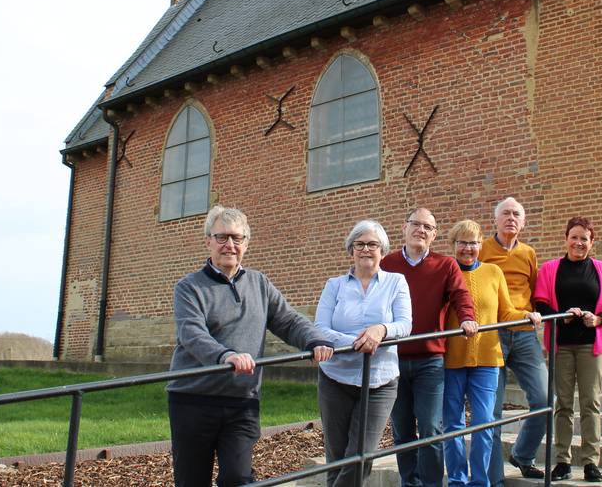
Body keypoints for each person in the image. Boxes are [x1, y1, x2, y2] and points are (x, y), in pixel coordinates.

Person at [167, 206, 334, 487]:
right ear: (208, 240)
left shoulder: (259, 284)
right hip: (193, 400)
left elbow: (288, 320)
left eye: (236, 238)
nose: (229, 245)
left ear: (246, 243)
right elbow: (192, 333)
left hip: (243, 400)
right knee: (192, 481)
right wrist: (226, 355)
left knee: (238, 478)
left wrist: (314, 339)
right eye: (221, 237)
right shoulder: (189, 287)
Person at [380, 207, 478, 487]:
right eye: (416, 224)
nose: (420, 230)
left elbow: (461, 295)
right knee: (401, 431)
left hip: (430, 361)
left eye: (427, 227)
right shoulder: (387, 264)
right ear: (404, 227)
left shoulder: (445, 265)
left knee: (431, 429)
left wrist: (468, 319)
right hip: (393, 359)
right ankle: (409, 482)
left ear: (434, 235)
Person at [443, 219, 542, 487]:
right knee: (452, 425)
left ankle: (480, 482)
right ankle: (456, 480)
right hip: (451, 361)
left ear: (480, 245)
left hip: (488, 359)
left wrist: (526, 316)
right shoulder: (446, 271)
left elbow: (506, 312)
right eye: (462, 242)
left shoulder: (493, 272)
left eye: (473, 242)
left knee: (485, 424)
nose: (468, 248)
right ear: (453, 245)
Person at [315, 220, 412, 487]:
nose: (366, 249)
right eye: (360, 244)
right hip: (334, 377)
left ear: (382, 251)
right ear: (351, 250)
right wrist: (357, 342)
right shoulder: (334, 285)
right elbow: (320, 328)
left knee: (361, 455)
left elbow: (404, 325)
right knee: (336, 456)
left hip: (379, 380)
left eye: (373, 244)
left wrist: (380, 330)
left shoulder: (396, 282)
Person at [533, 216, 602, 483]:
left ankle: (590, 462)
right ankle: (562, 461)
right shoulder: (551, 269)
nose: (578, 243)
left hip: (591, 346)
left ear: (591, 242)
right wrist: (561, 316)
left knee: (590, 403)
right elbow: (540, 303)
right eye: (574, 237)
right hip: (560, 345)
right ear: (566, 239)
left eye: (584, 239)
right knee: (563, 404)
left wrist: (598, 319)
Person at [480, 197, 550, 484]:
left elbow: (534, 291)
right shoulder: (482, 249)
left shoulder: (528, 253)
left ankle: (523, 455)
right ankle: (493, 477)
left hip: (523, 333)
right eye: (505, 213)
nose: (510, 218)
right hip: (492, 333)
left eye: (516, 214)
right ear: (495, 220)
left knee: (546, 399)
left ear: (523, 223)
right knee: (491, 409)